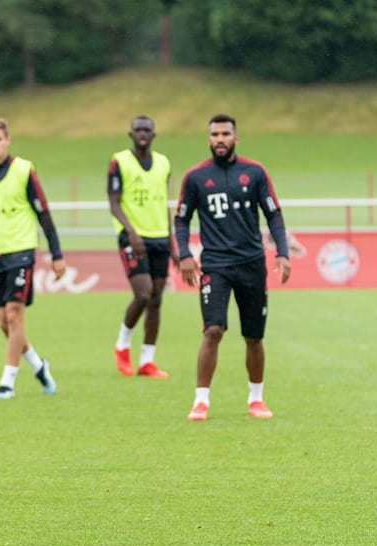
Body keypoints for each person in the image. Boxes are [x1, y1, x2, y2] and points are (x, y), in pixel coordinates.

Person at [174, 113, 291, 421]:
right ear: (208, 139)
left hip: (251, 264)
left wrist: (282, 252)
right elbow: (181, 219)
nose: (220, 139)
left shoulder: (254, 172)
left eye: (226, 134)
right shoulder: (196, 177)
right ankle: (201, 401)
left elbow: (273, 215)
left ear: (235, 138)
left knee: (253, 337)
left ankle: (256, 399)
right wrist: (184, 254)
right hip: (215, 265)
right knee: (213, 330)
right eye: (215, 135)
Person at [0, 118, 65, 400]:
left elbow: (43, 213)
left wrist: (56, 253)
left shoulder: (24, 170)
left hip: (22, 251)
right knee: (2, 321)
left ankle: (7, 382)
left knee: (14, 314)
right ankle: (38, 365)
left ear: (8, 140)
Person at [108, 116, 174, 378]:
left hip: (160, 237)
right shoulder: (119, 162)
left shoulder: (163, 163)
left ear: (154, 135)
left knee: (157, 300)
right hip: (133, 238)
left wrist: (173, 242)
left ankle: (147, 360)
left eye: (147, 130)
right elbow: (114, 202)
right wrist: (131, 232)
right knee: (143, 294)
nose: (143, 134)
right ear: (130, 134)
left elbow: (163, 203)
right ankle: (122, 346)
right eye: (138, 130)